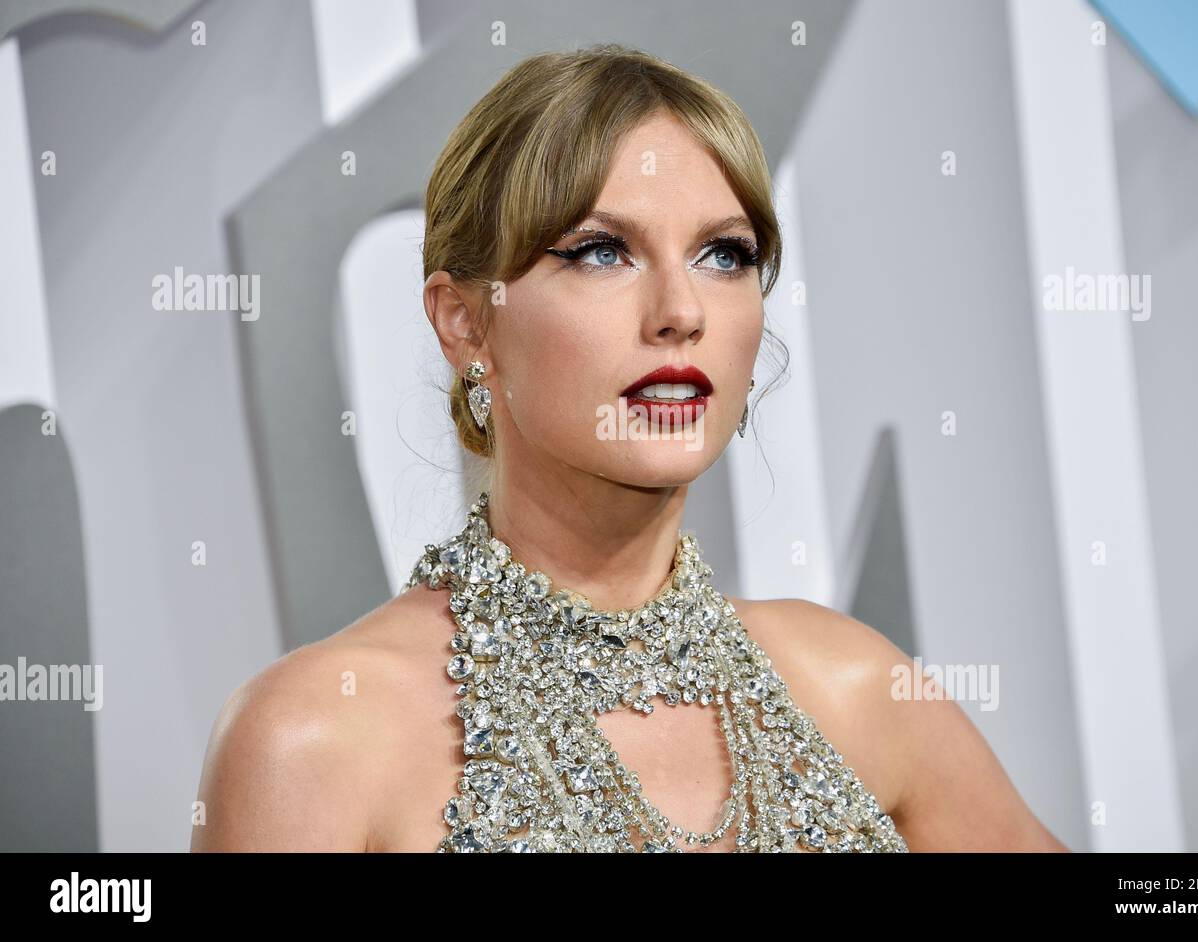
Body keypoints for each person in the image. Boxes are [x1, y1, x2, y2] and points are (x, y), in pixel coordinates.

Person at [191, 44, 1068, 853]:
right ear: (464, 323)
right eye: (603, 252)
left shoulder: (854, 687)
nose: (681, 310)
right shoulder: (313, 739)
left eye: (725, 255)